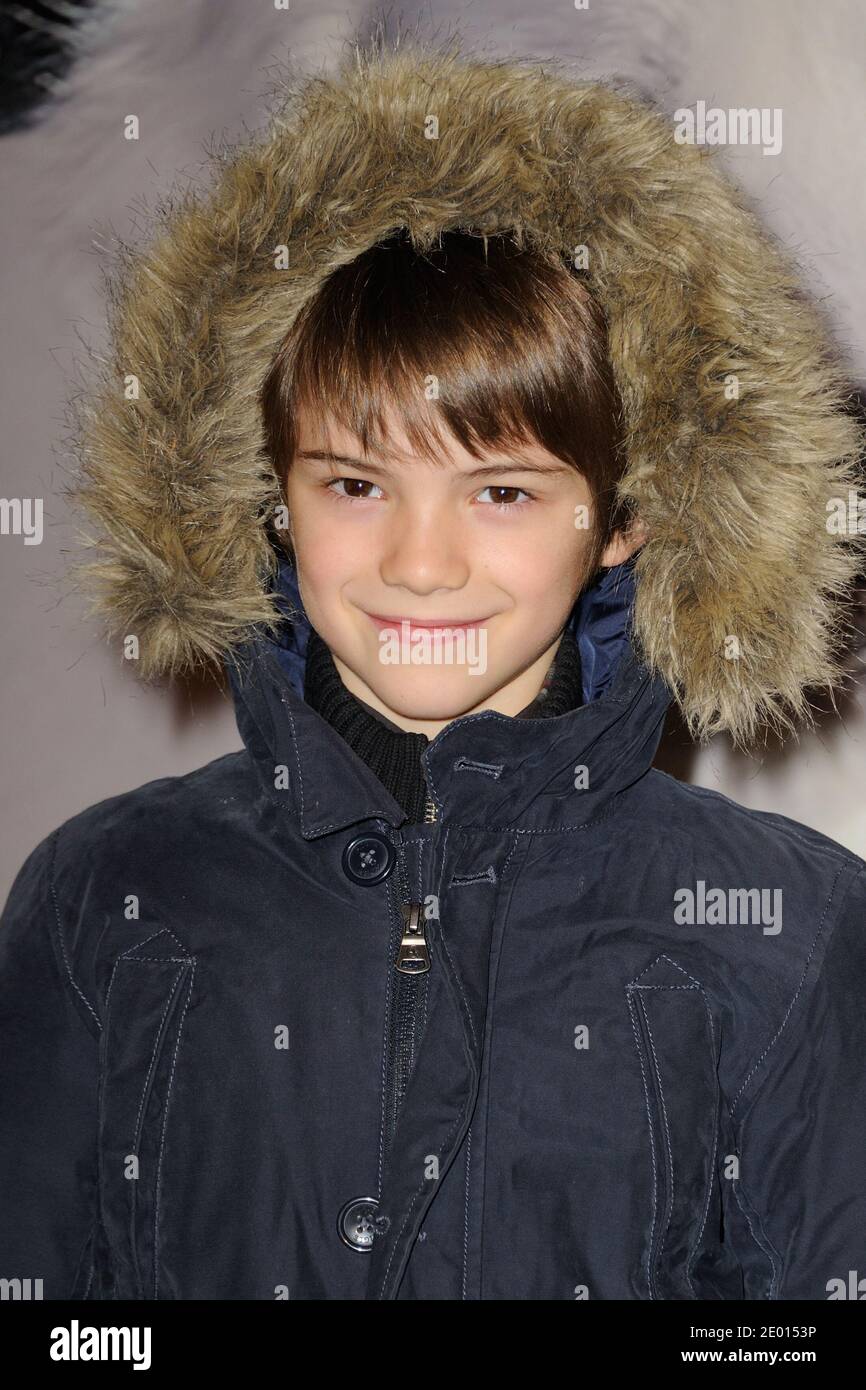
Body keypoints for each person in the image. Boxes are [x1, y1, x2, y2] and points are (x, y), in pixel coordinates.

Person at [1, 36, 865, 1302]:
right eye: (354, 483)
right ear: (266, 497)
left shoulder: (793, 927)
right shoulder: (105, 893)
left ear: (628, 515)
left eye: (502, 490)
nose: (418, 562)